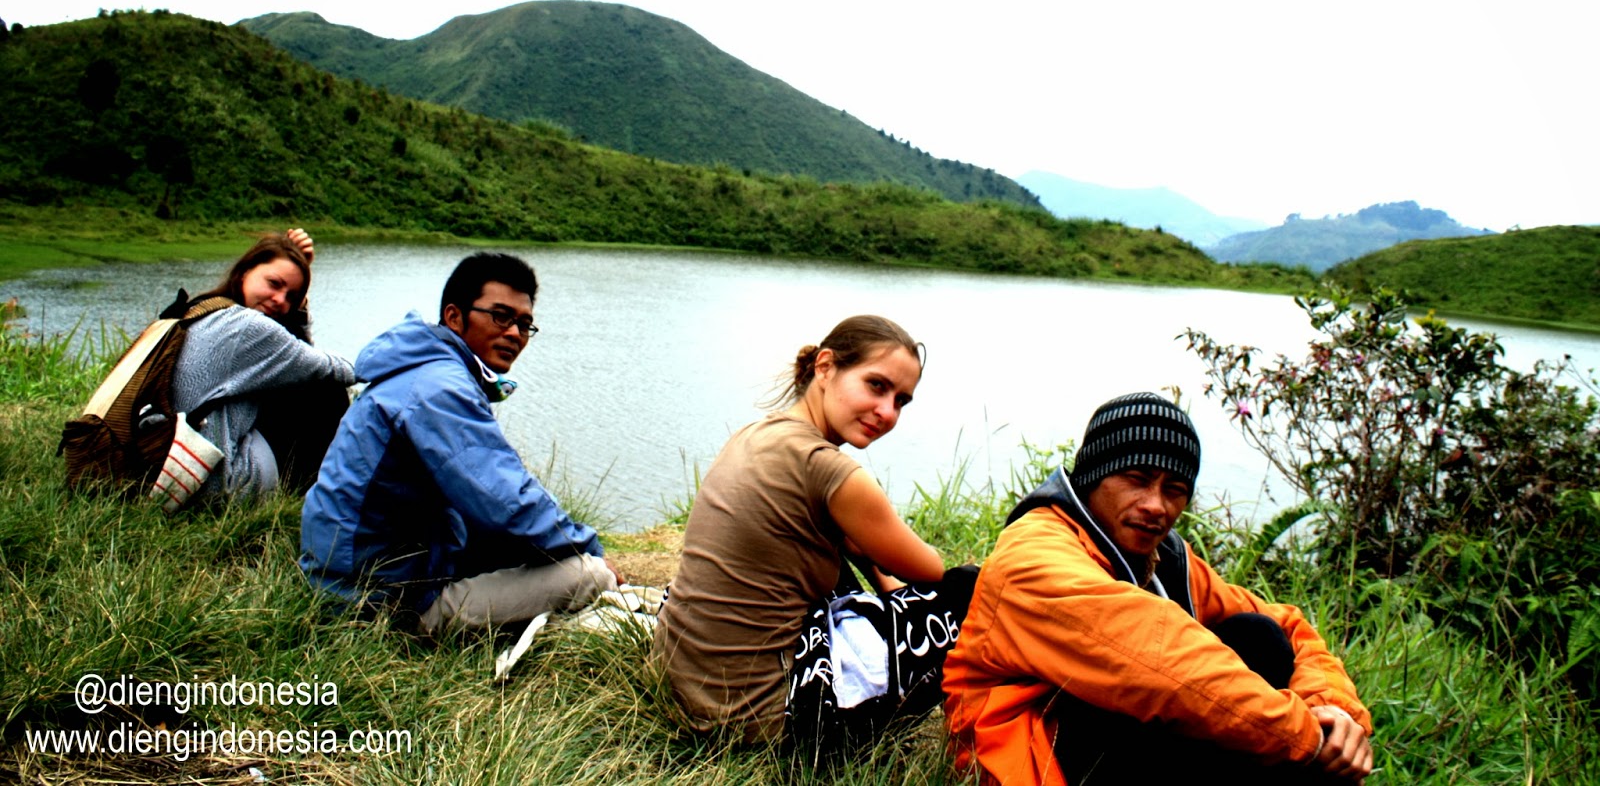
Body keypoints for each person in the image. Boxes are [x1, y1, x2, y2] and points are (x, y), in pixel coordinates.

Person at [942, 392, 1374, 785]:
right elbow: (1158, 659)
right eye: (1136, 478)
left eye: (1175, 489)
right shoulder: (1035, 553)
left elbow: (1290, 624)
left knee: (1258, 635)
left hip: (1123, 739)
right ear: (1094, 476)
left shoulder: (1165, 557)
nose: (1156, 505)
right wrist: (1310, 739)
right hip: (1036, 755)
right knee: (1163, 694)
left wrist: (1333, 709)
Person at [652, 314, 977, 758]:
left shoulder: (758, 433)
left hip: (682, 683)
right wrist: (893, 587)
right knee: (970, 589)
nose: (888, 413)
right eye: (876, 386)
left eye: (902, 400)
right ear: (825, 367)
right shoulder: (830, 471)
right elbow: (932, 572)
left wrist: (875, 570)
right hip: (756, 723)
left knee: (839, 553)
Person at [299, 252, 619, 635]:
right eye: (500, 316)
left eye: (524, 324)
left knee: (522, 550)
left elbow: (489, 499)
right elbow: (507, 502)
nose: (514, 333)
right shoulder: (440, 388)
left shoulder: (422, 368)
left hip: (355, 578)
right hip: (373, 605)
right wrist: (588, 548)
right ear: (454, 316)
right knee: (589, 575)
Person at [171, 228, 356, 504]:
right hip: (216, 485)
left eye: (291, 297)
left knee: (295, 379)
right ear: (245, 271)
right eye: (274, 283)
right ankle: (327, 496)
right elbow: (332, 368)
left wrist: (296, 268)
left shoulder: (202, 308)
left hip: (171, 461)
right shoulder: (248, 327)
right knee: (326, 390)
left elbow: (293, 352)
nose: (281, 300)